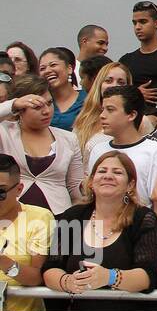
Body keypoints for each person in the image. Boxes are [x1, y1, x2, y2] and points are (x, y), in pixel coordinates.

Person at [43, 151, 157, 309]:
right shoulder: (73, 216)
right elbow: (51, 268)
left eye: (117, 172)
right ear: (91, 182)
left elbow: (148, 276)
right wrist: (68, 282)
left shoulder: (143, 218)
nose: (108, 176)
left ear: (130, 185)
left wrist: (109, 277)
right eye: (102, 171)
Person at [0, 76, 84, 213]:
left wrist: (74, 222)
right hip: (12, 219)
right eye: (37, 107)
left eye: (50, 103)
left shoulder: (68, 138)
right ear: (20, 110)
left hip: (59, 218)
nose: (47, 111)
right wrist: (13, 104)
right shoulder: (4, 132)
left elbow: (76, 187)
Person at [85, 86, 157, 206]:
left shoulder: (154, 151)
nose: (102, 115)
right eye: (102, 110)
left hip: (140, 220)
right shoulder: (98, 149)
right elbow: (92, 192)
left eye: (110, 109)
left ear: (131, 115)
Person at [0, 154, 53, 311]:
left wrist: (3, 262)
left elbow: (36, 278)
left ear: (19, 189)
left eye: (0, 192)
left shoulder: (39, 218)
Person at [72, 60, 132, 159]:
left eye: (121, 82)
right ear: (99, 84)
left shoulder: (138, 121)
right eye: (108, 81)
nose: (114, 85)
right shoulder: (84, 119)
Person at [38, 47, 86, 131]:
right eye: (42, 68)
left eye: (53, 65)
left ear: (69, 69)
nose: (47, 71)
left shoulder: (88, 99)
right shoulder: (39, 102)